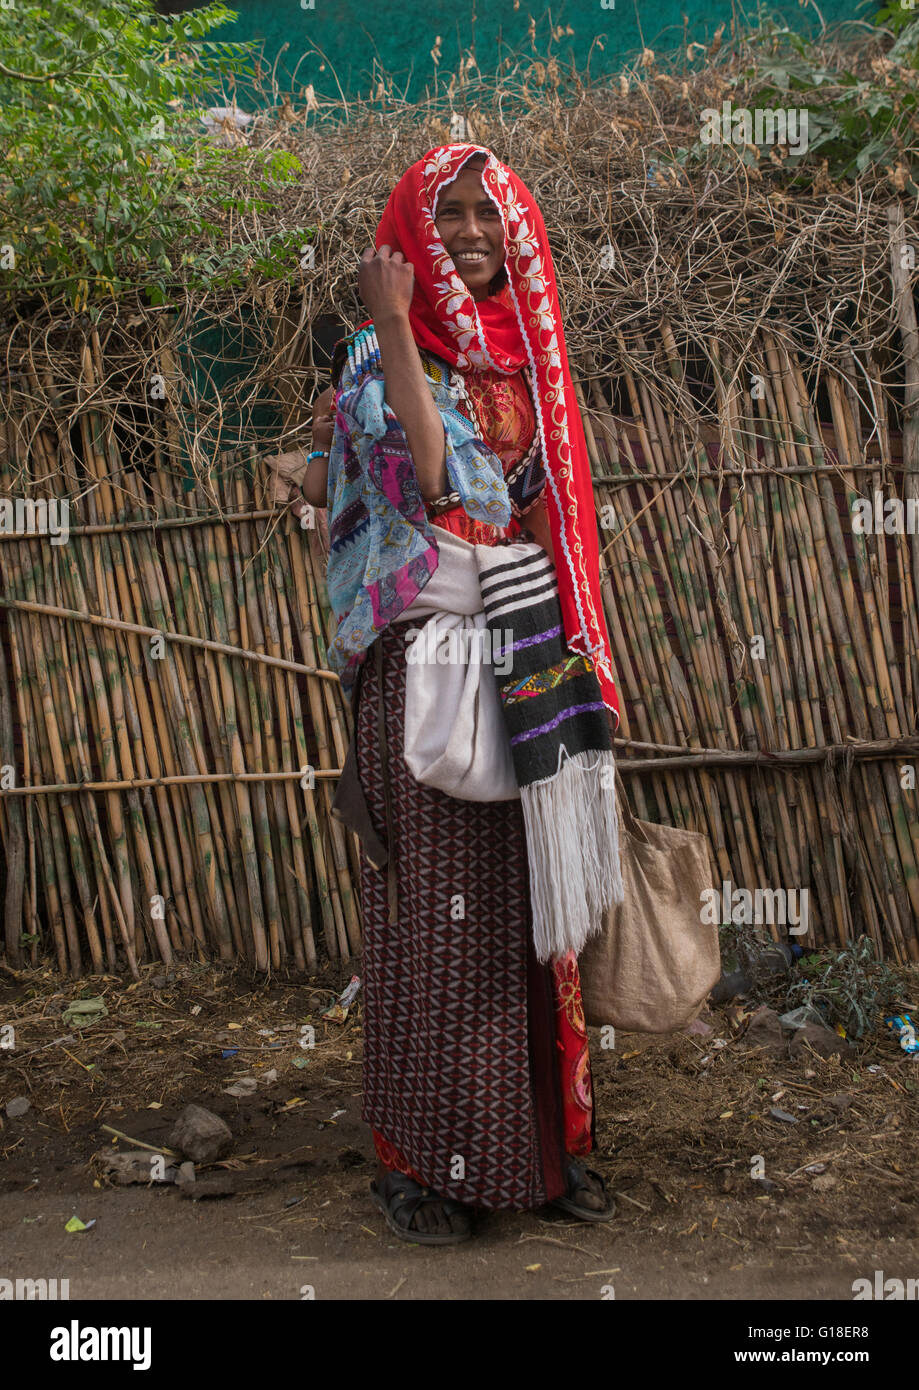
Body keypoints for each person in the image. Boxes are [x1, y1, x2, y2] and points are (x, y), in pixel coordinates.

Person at [268, 145, 621, 1244]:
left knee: (529, 918)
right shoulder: (379, 360)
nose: (470, 231)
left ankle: (541, 1158)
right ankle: (422, 1165)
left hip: (522, 648)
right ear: (409, 231)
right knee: (432, 921)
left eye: (487, 212)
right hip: (424, 667)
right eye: (448, 212)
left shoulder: (529, 358)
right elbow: (442, 487)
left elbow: (529, 513)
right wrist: (384, 325)